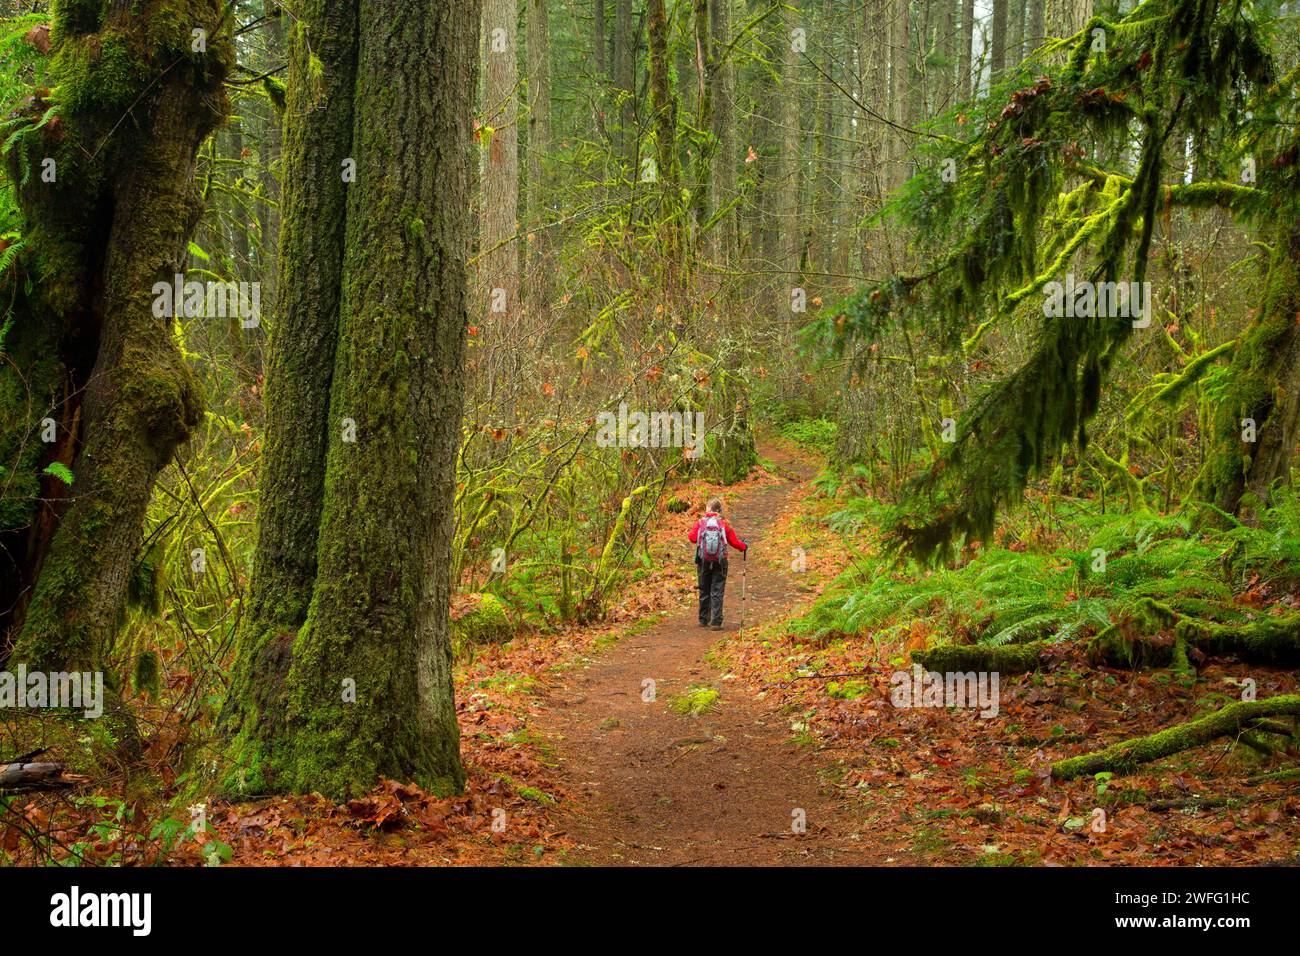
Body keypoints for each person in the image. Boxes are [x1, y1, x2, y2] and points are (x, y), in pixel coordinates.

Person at [687, 497, 748, 630]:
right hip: (720, 561)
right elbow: (735, 543)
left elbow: (691, 538)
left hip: (703, 561)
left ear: (709, 509)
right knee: (717, 590)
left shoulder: (700, 523)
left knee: (704, 589)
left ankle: (703, 619)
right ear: (719, 510)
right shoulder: (723, 524)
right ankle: (716, 622)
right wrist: (744, 546)